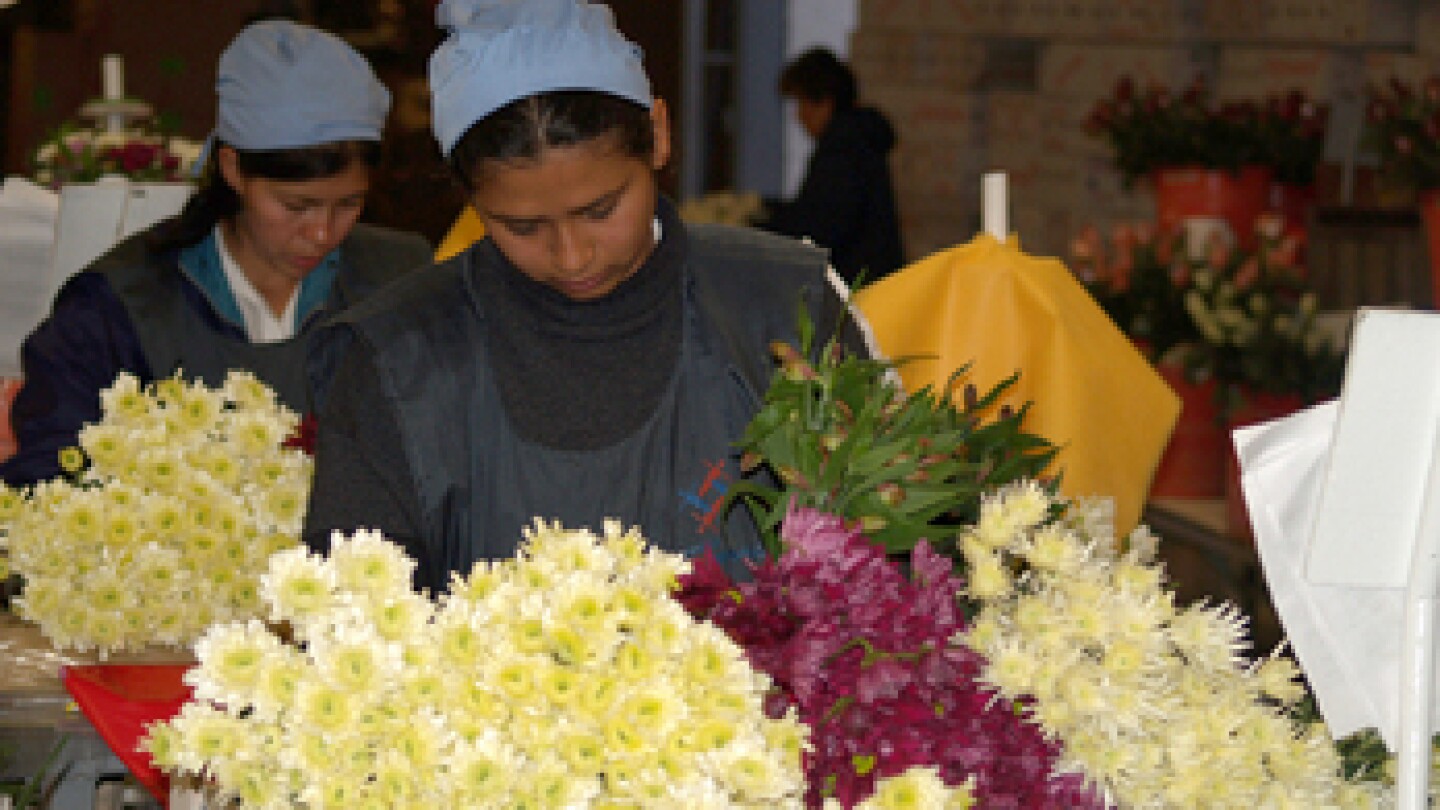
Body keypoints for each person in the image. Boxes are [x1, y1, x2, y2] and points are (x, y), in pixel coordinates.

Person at [302, 0, 874, 593]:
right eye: (521, 227)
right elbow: (350, 631)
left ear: (658, 135)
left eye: (600, 211)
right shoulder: (397, 358)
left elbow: (895, 577)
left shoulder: (785, 309)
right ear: (470, 202)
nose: (572, 256)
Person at [0, 21, 432, 487]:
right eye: (296, 206)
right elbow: (49, 483)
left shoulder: (402, 284)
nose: (323, 232)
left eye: (349, 203)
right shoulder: (118, 309)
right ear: (231, 168)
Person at [756, 46, 905, 288]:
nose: (799, 116)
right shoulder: (857, 139)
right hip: (874, 282)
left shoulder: (843, 148)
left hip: (857, 288)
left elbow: (820, 225)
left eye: (802, 104)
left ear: (824, 103)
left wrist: (756, 227)